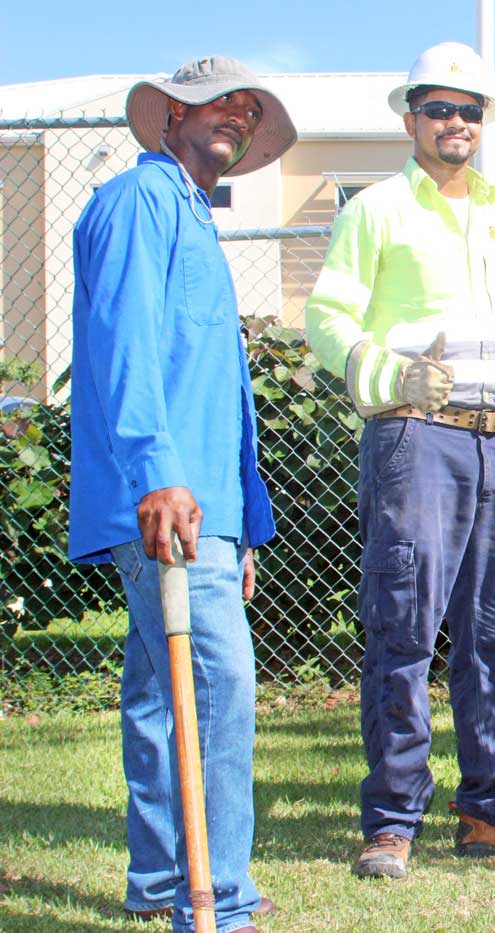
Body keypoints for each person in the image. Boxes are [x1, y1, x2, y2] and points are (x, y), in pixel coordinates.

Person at [304, 41, 495, 877]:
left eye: (469, 110)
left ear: (482, 123)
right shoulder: (376, 209)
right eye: (439, 109)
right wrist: (389, 375)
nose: (455, 123)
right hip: (415, 435)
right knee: (405, 625)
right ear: (410, 117)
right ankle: (391, 819)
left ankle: (491, 807)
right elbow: (327, 316)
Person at [68, 57, 297, 931]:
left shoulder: (193, 218)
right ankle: (218, 895)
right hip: (162, 492)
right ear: (168, 113)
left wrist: (240, 528)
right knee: (217, 684)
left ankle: (162, 879)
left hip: (203, 511)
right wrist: (160, 474)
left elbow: (211, 391)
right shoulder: (141, 204)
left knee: (164, 695)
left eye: (248, 109)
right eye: (217, 102)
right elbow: (124, 345)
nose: (235, 117)